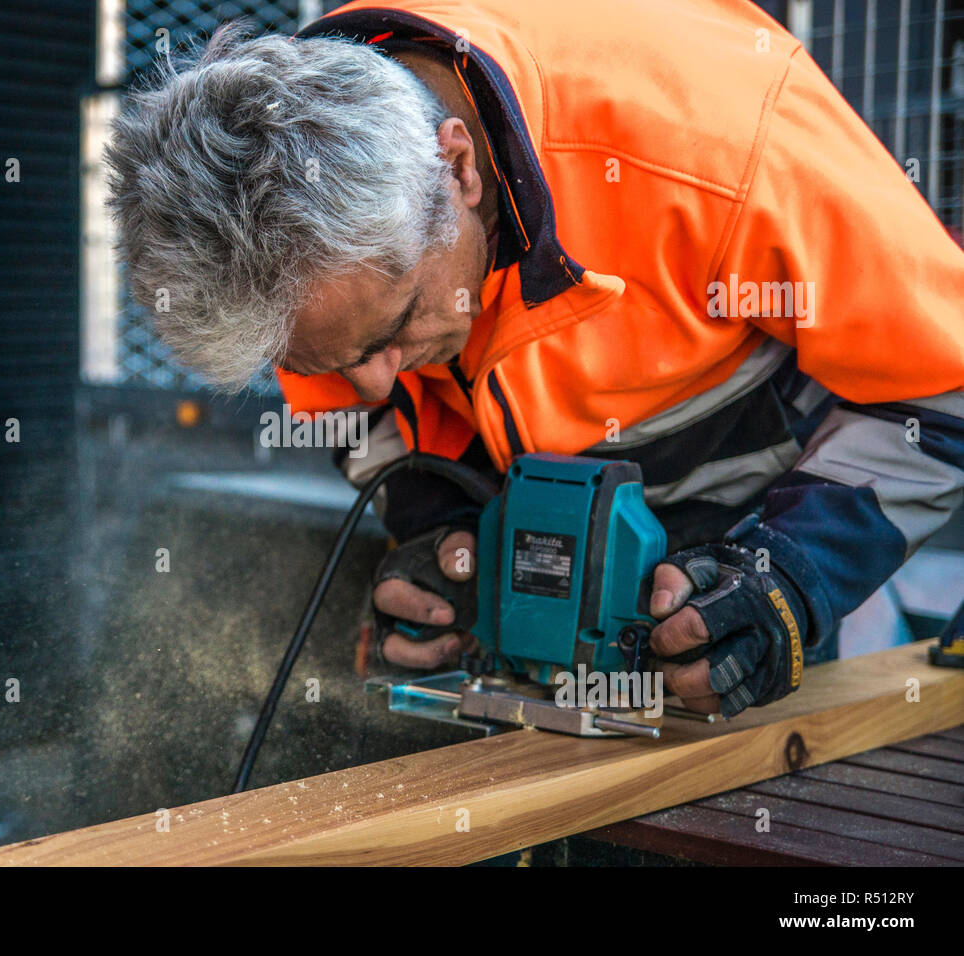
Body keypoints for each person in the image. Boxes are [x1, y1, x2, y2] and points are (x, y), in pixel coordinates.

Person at [104, 0, 964, 717]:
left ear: (458, 167)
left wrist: (798, 573)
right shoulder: (311, 158)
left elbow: (945, 382)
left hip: (763, 533)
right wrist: (437, 518)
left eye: (395, 329)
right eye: (323, 356)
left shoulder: (721, 145)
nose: (365, 380)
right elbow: (363, 401)